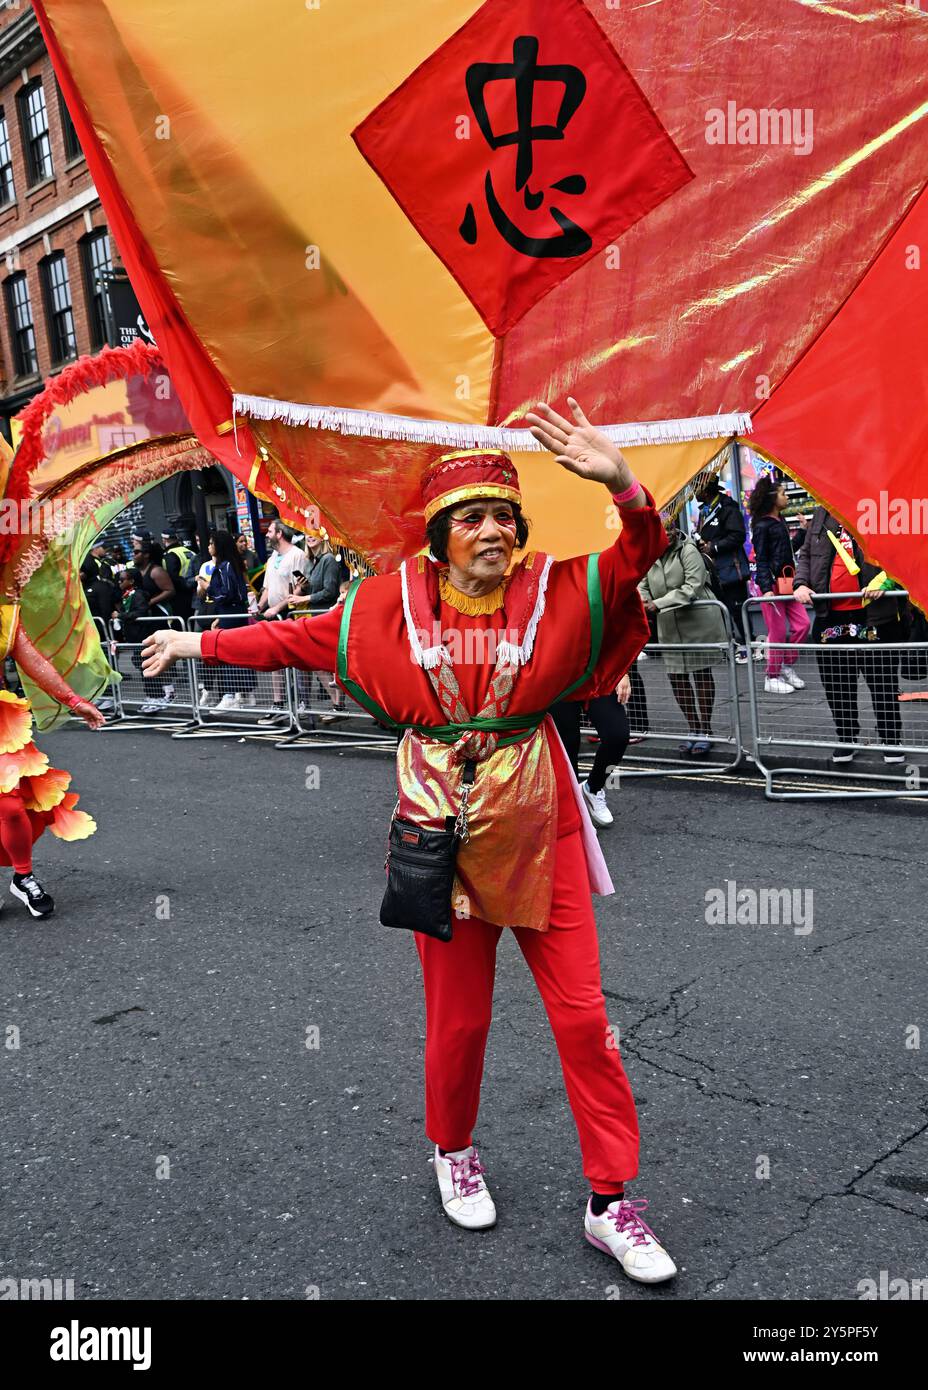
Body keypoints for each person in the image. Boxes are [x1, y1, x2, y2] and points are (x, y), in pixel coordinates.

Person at [143, 397, 678, 1284]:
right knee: (458, 1022)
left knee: (585, 1022)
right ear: (438, 535)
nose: (495, 530)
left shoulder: (558, 590)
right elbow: (294, 639)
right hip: (443, 835)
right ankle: (453, 1150)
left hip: (541, 833)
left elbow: (637, 559)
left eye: (506, 514)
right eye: (472, 517)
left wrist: (623, 484)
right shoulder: (389, 608)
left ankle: (612, 1202)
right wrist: (196, 640)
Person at [0, 602, 102, 917]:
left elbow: (33, 660)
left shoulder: (4, 616)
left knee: (11, 805)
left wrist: (73, 699)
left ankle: (23, 875)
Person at [793, 508, 906, 764]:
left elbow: (900, 554)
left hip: (874, 616)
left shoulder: (878, 509)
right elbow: (807, 556)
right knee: (836, 684)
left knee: (882, 682)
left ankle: (891, 739)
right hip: (830, 615)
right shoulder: (821, 514)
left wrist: (884, 582)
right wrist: (800, 583)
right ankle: (847, 737)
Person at [639, 519, 729, 756]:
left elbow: (693, 587)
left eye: (670, 529)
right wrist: (644, 600)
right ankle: (693, 728)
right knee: (676, 677)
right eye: (662, 530)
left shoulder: (688, 550)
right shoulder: (650, 554)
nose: (667, 534)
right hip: (669, 624)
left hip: (697, 621)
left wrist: (656, 604)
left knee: (701, 674)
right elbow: (642, 584)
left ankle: (706, 730)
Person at [748, 475, 811, 695]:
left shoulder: (778, 522)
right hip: (772, 586)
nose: (787, 497)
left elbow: (785, 552)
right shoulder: (763, 525)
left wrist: (802, 532)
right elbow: (761, 559)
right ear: (773, 498)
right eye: (783, 493)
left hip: (787, 583)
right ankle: (771, 675)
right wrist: (766, 589)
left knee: (802, 624)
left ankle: (784, 664)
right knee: (776, 630)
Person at [549, 674, 632, 827]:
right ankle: (573, 812)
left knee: (617, 735)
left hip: (598, 674)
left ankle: (592, 788)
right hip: (559, 678)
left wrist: (622, 673)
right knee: (567, 747)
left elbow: (616, 649)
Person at [256, 520, 307, 725]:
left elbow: (299, 588)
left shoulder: (297, 555)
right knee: (275, 659)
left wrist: (277, 608)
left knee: (298, 660)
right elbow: (267, 589)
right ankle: (278, 704)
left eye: (269, 531)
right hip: (272, 615)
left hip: (290, 614)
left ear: (279, 534)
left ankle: (303, 704)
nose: (266, 535)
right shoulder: (273, 557)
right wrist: (259, 606)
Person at [695, 475, 749, 659]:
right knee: (721, 609)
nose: (694, 492)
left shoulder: (728, 508)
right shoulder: (704, 511)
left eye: (697, 488)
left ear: (706, 490)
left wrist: (713, 547)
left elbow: (738, 536)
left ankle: (748, 647)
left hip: (731, 570)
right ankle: (731, 645)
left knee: (738, 610)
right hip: (714, 571)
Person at [206, 530, 256, 713]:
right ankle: (246, 693)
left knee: (226, 652)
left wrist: (208, 588)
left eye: (211, 543)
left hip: (231, 612)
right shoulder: (233, 564)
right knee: (240, 651)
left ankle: (229, 695)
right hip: (234, 612)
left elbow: (226, 593)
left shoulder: (225, 566)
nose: (209, 546)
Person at [132, 537, 177, 715]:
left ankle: (168, 692)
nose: (133, 555)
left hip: (159, 618)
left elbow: (170, 590)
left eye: (136, 552)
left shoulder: (156, 571)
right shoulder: (137, 572)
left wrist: (150, 602)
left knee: (159, 654)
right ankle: (159, 693)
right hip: (145, 619)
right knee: (143, 657)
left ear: (146, 554)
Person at [161, 531, 197, 621]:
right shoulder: (191, 552)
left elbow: (173, 577)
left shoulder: (170, 555)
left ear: (164, 540)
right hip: (195, 593)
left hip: (180, 597)